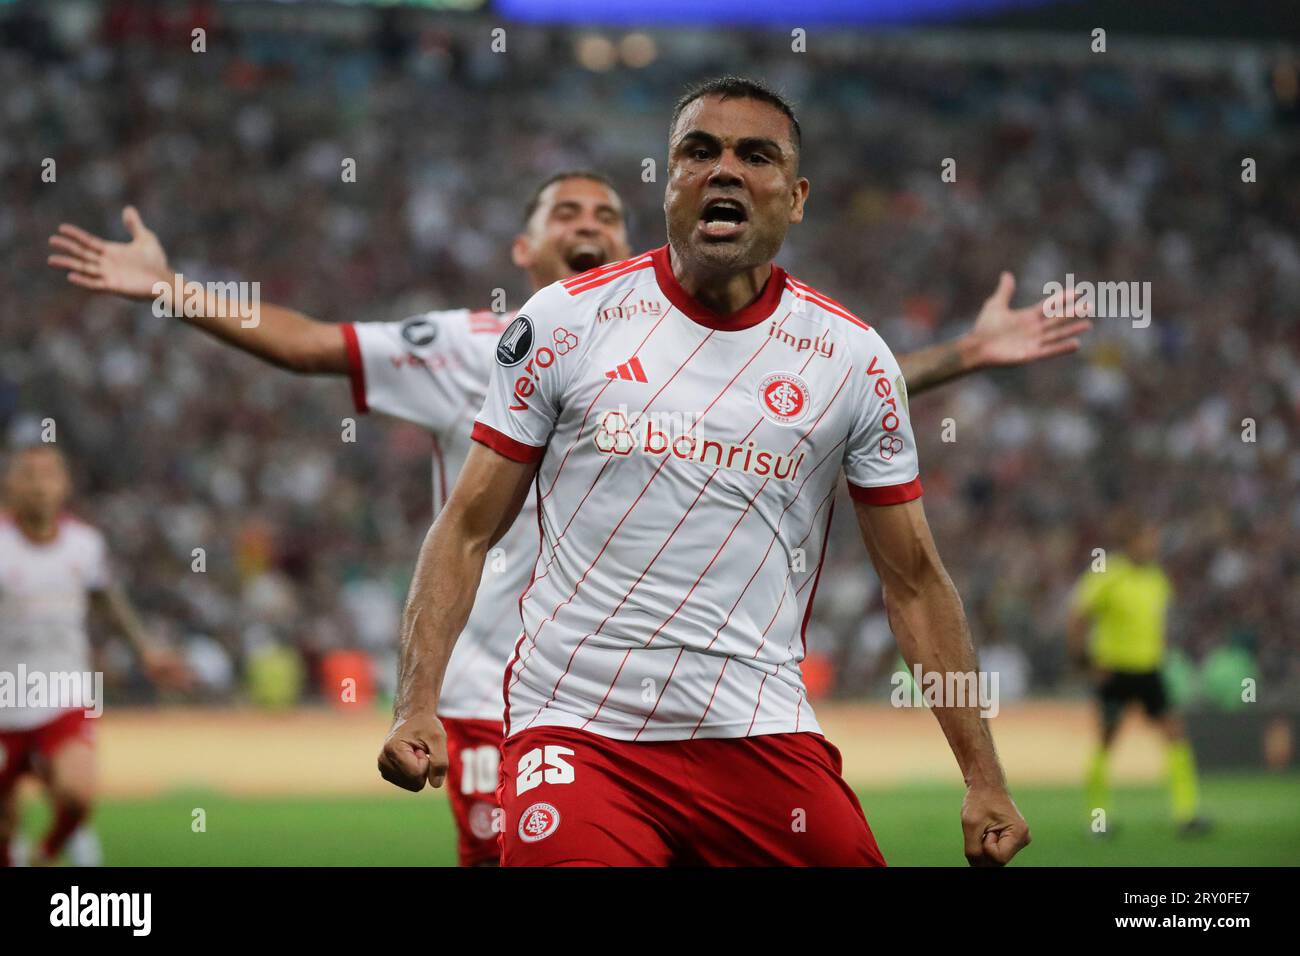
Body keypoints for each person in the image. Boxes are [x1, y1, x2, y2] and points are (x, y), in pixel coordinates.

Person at [51, 169, 1085, 867]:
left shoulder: (698, 343)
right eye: (565, 214)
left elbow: (822, 395)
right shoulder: (468, 344)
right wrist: (174, 289)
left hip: (671, 699)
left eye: (606, 216)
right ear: (524, 244)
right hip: (498, 689)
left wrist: (960, 353)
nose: (589, 225)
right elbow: (314, 342)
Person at [377, 75, 1039, 866]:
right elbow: (466, 528)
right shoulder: (561, 322)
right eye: (701, 151)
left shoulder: (854, 359)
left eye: (754, 156)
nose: (724, 170)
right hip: (581, 730)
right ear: (668, 184)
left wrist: (983, 776)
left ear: (795, 199)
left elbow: (917, 584)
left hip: (759, 732)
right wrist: (417, 704)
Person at [0, 445, 188, 866]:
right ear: (10, 484)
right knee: (3, 822)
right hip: (4, 699)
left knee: (78, 791)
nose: (38, 486)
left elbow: (106, 596)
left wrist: (146, 650)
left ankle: (44, 854)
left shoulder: (84, 545)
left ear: (64, 485)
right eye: (28, 475)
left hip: (64, 692)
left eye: (48, 475)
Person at [1068, 519, 1210, 836]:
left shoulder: (1157, 579)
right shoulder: (1107, 574)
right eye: (1147, 540)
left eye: (1155, 541)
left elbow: (1154, 623)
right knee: (1107, 739)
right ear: (1130, 542)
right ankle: (1098, 818)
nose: (1152, 547)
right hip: (1114, 670)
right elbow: (1078, 616)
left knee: (1175, 733)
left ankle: (1187, 814)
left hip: (1149, 670)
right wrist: (1085, 662)